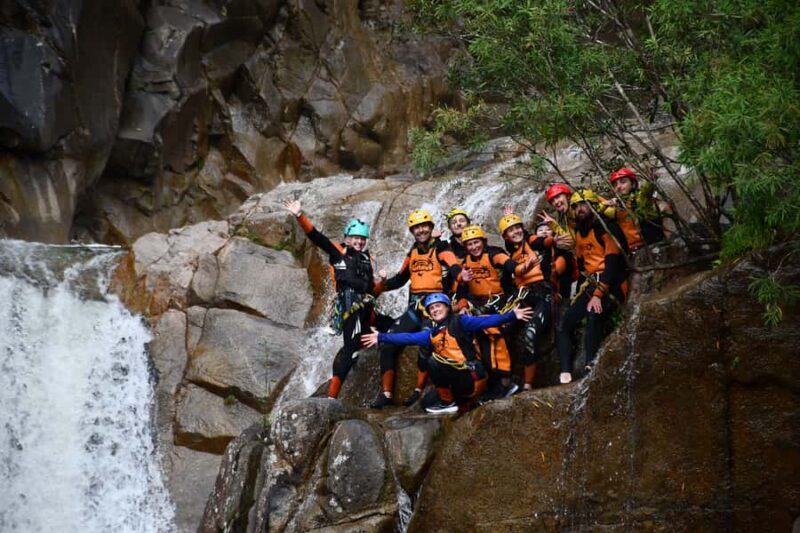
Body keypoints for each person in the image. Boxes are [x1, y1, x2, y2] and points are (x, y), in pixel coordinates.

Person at [282, 199, 394, 398]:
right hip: (351, 310)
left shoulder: (368, 260)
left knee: (393, 329)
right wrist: (300, 215)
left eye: (362, 239)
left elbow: (373, 292)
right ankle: (330, 399)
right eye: (355, 238)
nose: (359, 242)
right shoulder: (338, 252)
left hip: (366, 311)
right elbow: (317, 237)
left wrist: (383, 282)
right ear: (347, 238)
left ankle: (386, 394)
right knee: (349, 354)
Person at [361, 293, 534, 414]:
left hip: (472, 375)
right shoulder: (432, 334)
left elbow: (485, 321)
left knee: (433, 361)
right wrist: (381, 337)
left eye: (438, 306)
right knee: (427, 402)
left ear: (447, 307)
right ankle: (455, 402)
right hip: (457, 380)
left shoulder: (461, 321)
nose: (435, 310)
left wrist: (512, 315)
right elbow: (407, 337)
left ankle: (449, 402)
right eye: (431, 309)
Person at [372, 209, 464, 408]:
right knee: (387, 341)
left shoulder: (441, 246)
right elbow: (400, 278)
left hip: (435, 305)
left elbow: (453, 264)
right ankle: (386, 394)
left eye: (424, 226)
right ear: (412, 231)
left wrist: (460, 276)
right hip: (415, 307)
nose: (421, 230)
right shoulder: (412, 252)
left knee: (428, 343)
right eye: (416, 228)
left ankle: (418, 390)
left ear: (430, 228)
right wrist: (382, 283)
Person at [456, 224, 537, 398]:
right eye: (469, 244)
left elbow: (510, 265)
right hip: (480, 304)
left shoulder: (494, 253)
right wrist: (463, 306)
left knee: (493, 330)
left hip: (503, 301)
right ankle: (487, 381)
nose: (473, 247)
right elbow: (461, 291)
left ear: (483, 242)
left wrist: (522, 268)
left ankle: (505, 381)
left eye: (476, 242)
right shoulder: (464, 262)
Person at [556, 189, 628, 384]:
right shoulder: (580, 232)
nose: (580, 209)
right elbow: (581, 264)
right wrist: (584, 292)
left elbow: (612, 265)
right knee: (565, 323)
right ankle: (565, 370)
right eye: (577, 206)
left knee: (594, 314)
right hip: (591, 284)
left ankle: (590, 363)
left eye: (584, 204)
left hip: (612, 283)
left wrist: (597, 294)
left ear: (594, 205)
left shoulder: (606, 228)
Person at [499, 212, 570, 390]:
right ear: (505, 236)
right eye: (511, 231)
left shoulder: (532, 242)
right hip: (523, 297)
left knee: (531, 332)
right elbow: (506, 285)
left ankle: (528, 384)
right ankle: (505, 379)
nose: (516, 232)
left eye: (518, 228)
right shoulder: (510, 257)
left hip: (543, 293)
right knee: (502, 331)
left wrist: (551, 240)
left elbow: (542, 242)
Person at [603, 167, 666, 250]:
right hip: (633, 250)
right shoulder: (615, 208)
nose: (618, 187)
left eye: (623, 182)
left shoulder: (639, 198)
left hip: (653, 244)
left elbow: (646, 190)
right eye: (615, 185)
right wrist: (606, 204)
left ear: (632, 184)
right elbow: (597, 211)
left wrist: (650, 178)